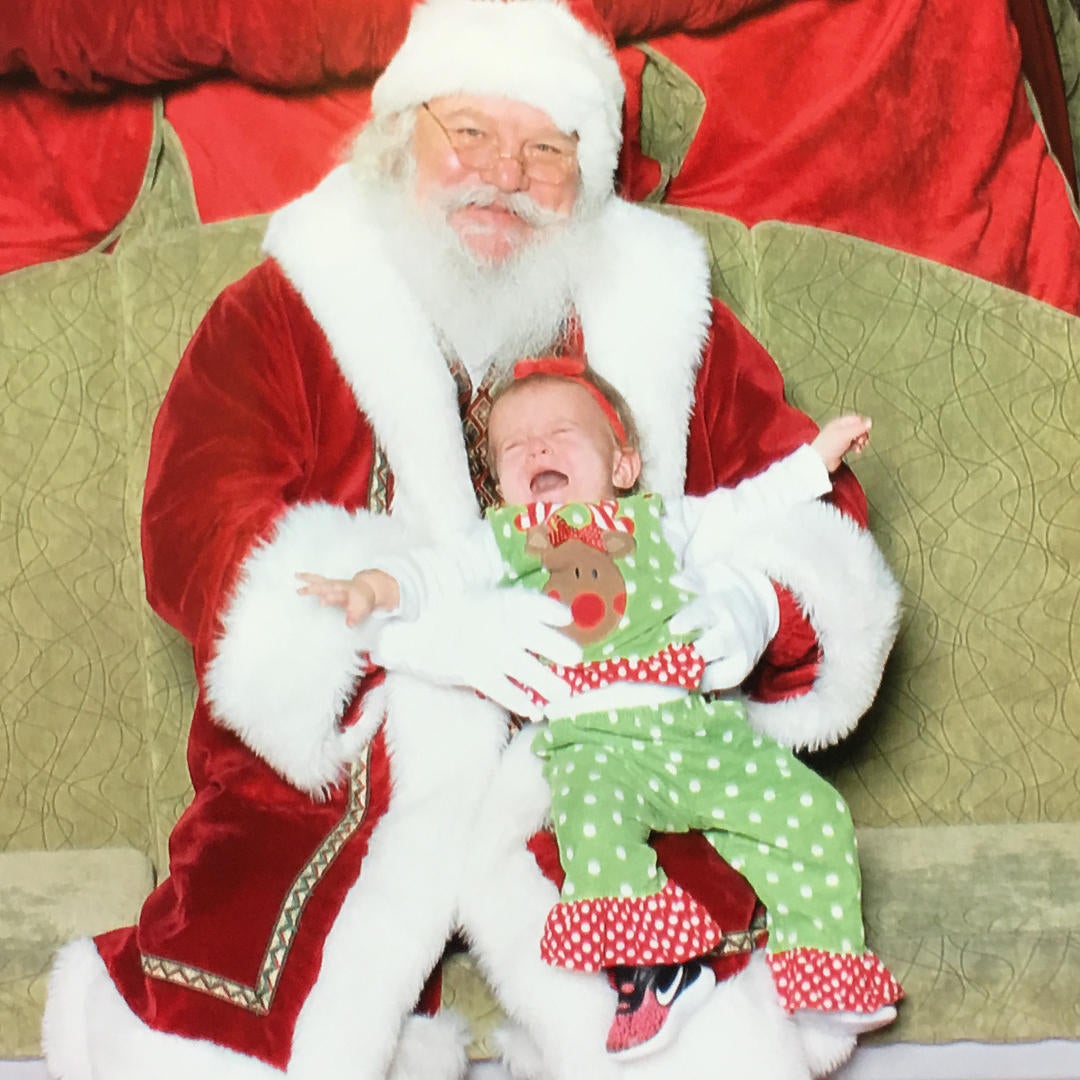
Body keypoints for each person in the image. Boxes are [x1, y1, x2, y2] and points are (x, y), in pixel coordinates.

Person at [42, 1, 902, 1077]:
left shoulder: (662, 315)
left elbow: (803, 508)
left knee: (705, 1037)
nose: (505, 174)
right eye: (472, 136)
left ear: (587, 179)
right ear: (405, 139)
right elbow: (202, 518)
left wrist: (750, 608)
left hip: (618, 753)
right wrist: (411, 632)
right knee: (231, 1023)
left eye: (547, 151)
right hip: (344, 772)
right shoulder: (286, 308)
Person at [297, 356, 900, 1061]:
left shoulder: (664, 521)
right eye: (515, 448)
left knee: (809, 813)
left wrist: (816, 461)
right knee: (592, 833)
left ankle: (821, 972)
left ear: (623, 466)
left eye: (559, 434)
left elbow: (749, 506)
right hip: (593, 740)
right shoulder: (511, 540)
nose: (537, 449)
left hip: (695, 726)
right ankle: (657, 974)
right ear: (502, 490)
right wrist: (375, 586)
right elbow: (437, 574)